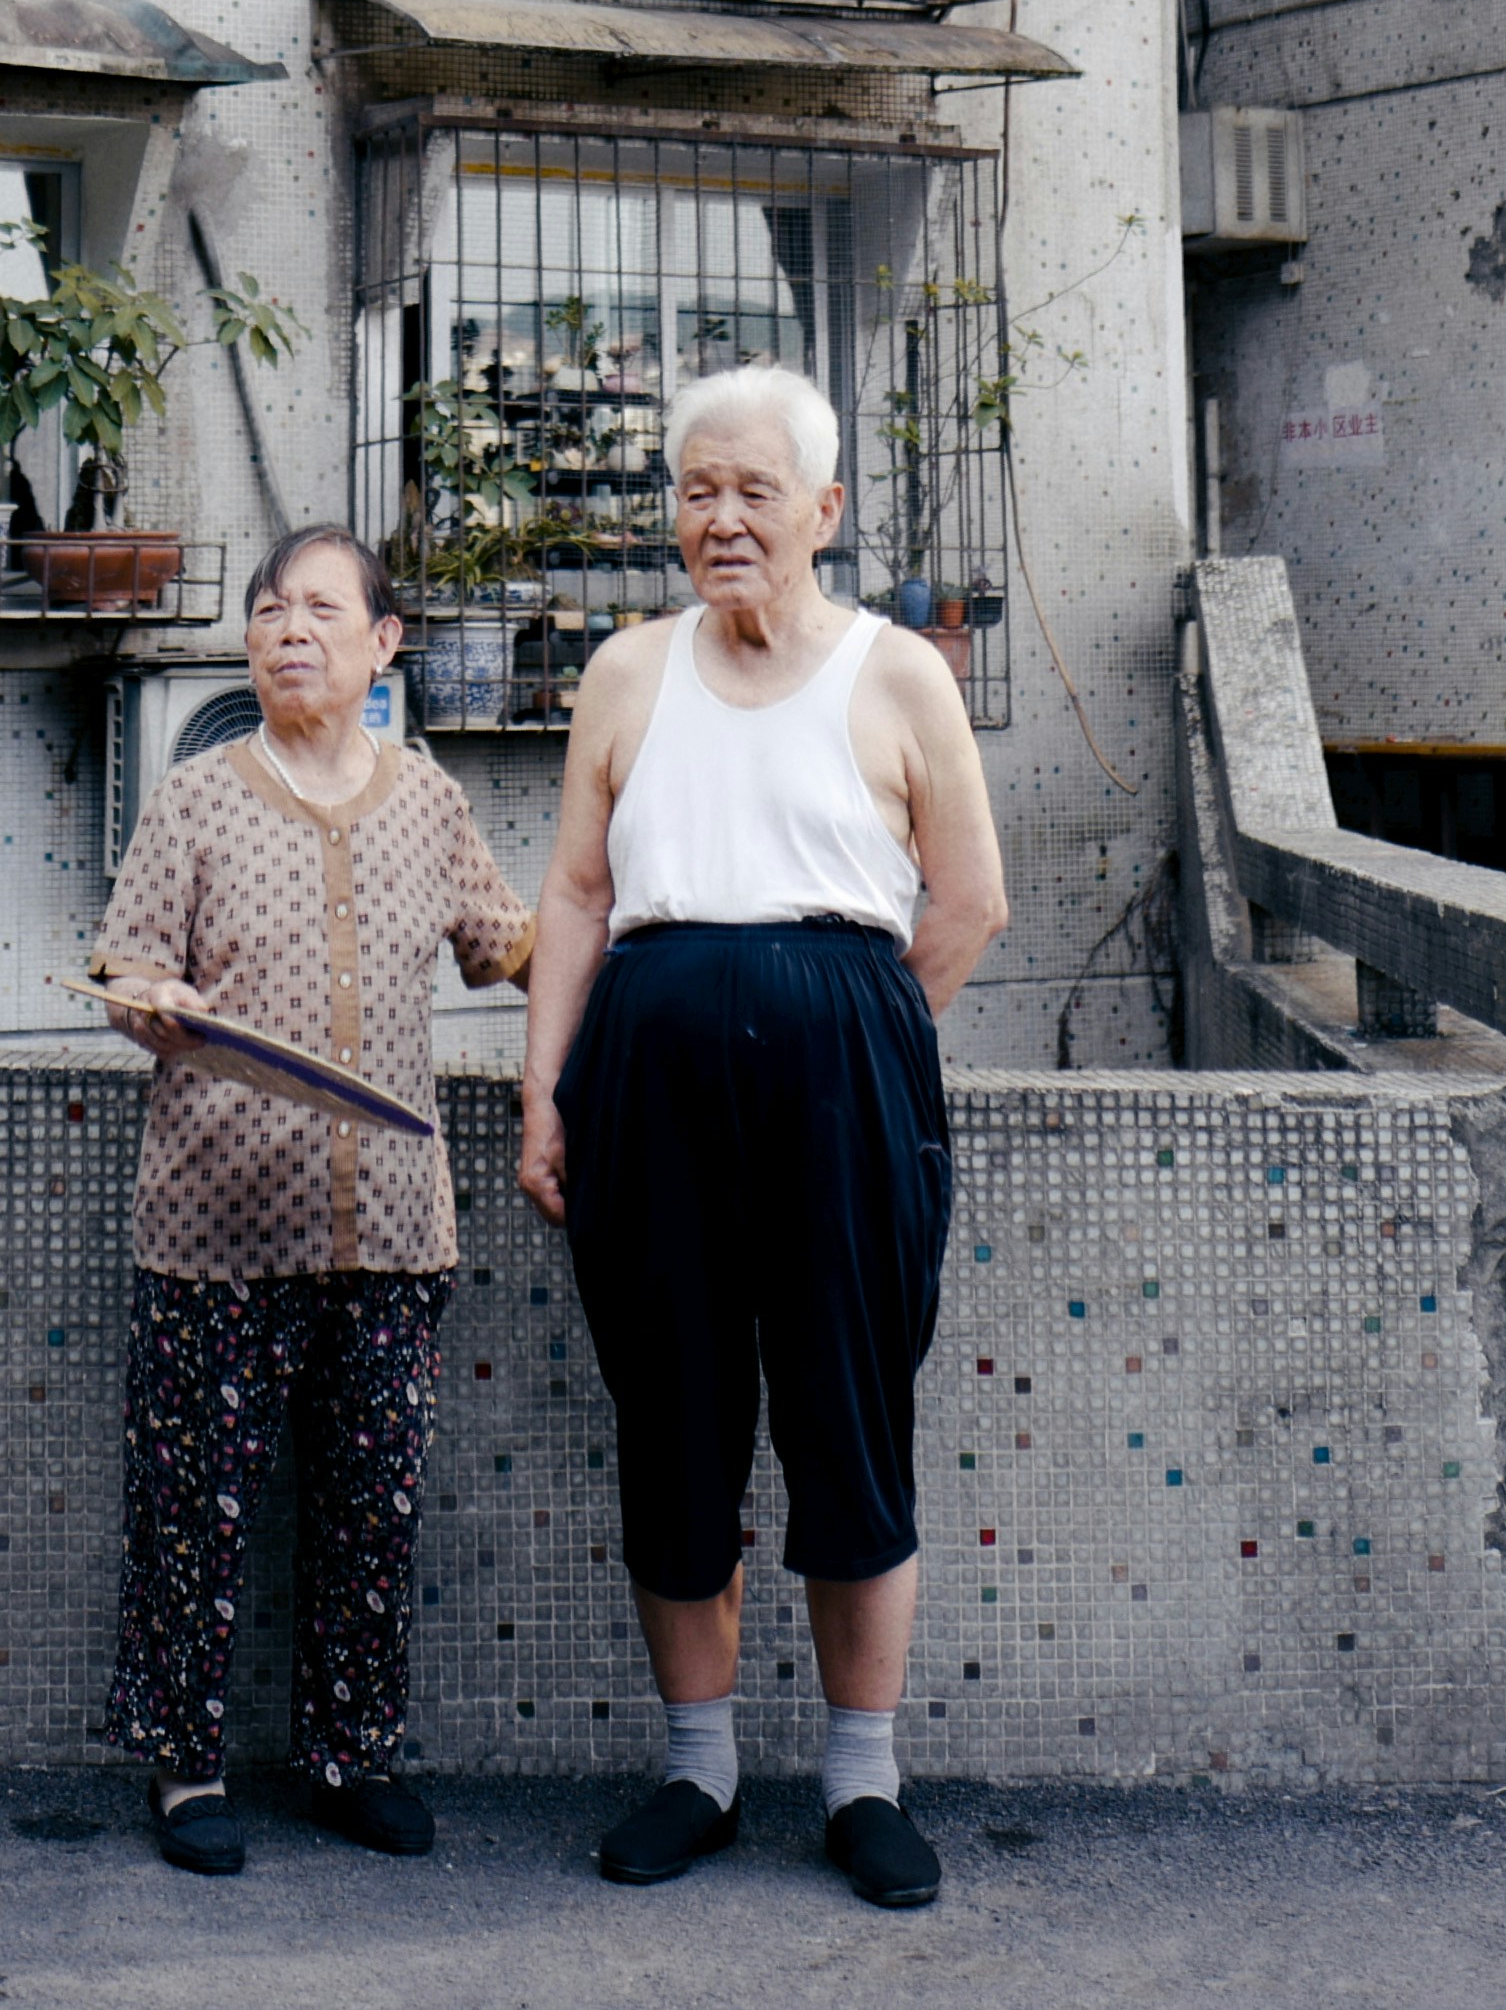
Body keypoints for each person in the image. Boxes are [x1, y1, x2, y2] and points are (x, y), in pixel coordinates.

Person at [517, 360, 1006, 1912]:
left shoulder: (896, 671)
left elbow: (972, 901)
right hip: (648, 1083)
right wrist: (547, 1086)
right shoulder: (626, 671)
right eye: (697, 490)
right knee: (675, 1411)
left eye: (754, 491)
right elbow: (579, 893)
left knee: (849, 1415)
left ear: (825, 510)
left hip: (843, 1083)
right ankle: (700, 1766)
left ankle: (864, 1780)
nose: (721, 519)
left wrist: (848, 1028)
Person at [89, 525, 535, 1875]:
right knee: (192, 1505)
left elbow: (511, 944)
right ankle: (186, 1766)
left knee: (370, 1503)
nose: (289, 630)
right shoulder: (198, 798)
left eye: (321, 609)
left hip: (391, 1231)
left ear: (383, 642)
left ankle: (354, 1758)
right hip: (212, 1228)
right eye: (269, 610)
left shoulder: (427, 798)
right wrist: (148, 1005)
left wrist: (629, 943)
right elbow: (124, 968)